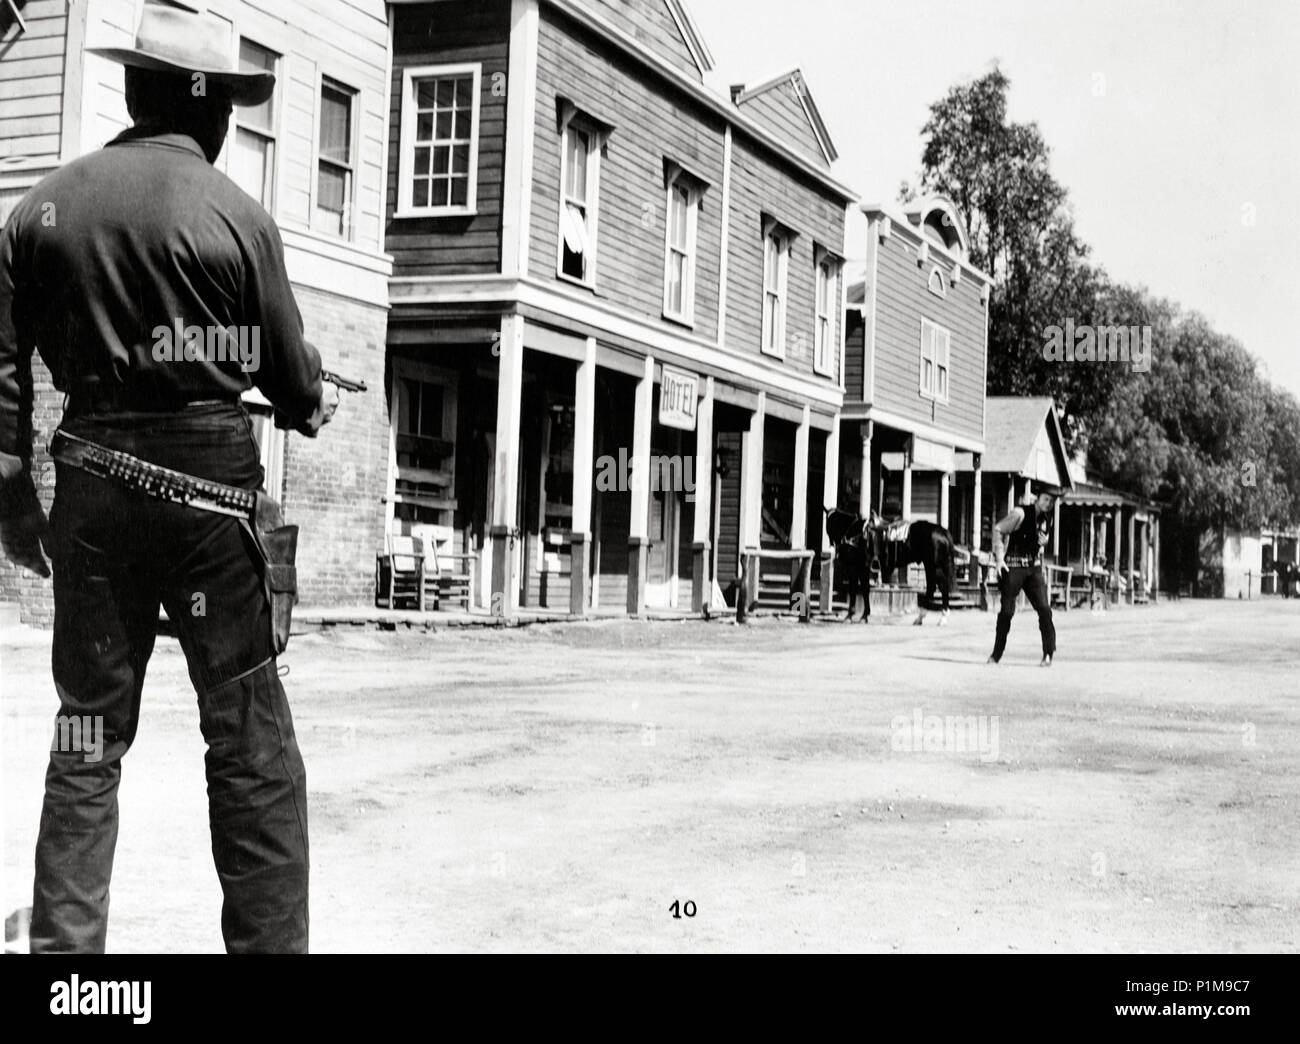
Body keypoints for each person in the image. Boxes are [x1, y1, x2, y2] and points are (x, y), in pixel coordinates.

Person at [0, 4, 339, 953]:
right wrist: (312, 398)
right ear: (213, 110)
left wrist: (14, 503)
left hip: (94, 488)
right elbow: (287, 374)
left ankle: (66, 965)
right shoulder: (240, 217)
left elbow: (2, 377)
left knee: (86, 733)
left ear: (131, 92)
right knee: (249, 739)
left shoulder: (39, 211)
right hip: (211, 503)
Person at [986, 485, 1059, 666]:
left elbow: (1040, 540)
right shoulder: (1020, 513)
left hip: (1033, 568)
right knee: (1006, 612)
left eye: (1051, 501)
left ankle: (1048, 653)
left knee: (1045, 609)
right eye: (1045, 499)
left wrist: (1045, 542)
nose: (1048, 504)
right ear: (1037, 498)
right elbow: (998, 529)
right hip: (1014, 565)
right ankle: (996, 654)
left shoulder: (1047, 518)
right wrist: (999, 558)